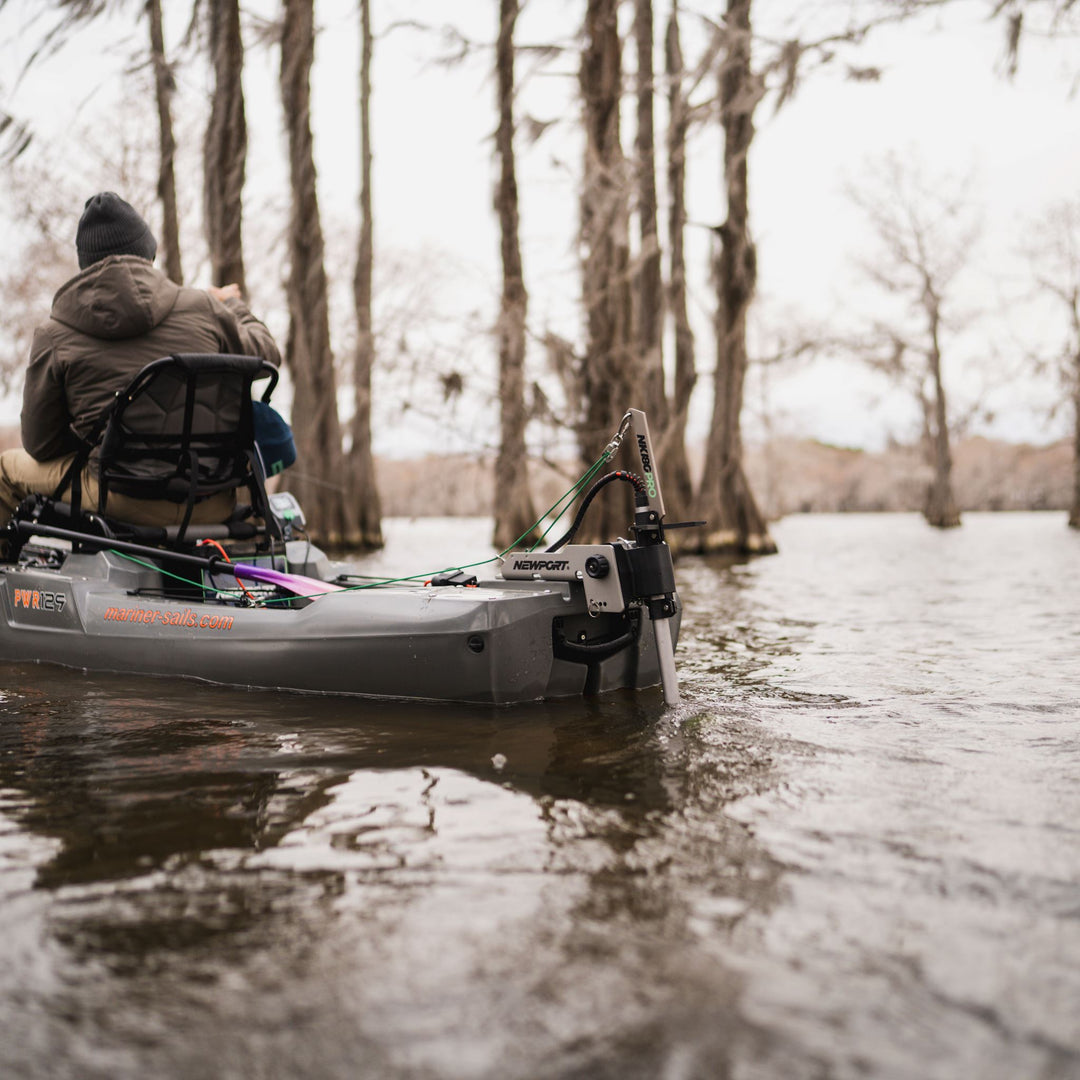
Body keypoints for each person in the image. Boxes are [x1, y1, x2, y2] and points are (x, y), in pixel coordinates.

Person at [0, 192, 282, 547]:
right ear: (148, 252)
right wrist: (233, 305)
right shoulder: (206, 308)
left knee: (4, 471)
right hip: (212, 501)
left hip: (119, 500)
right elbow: (267, 353)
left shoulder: (54, 334)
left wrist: (99, 432)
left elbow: (40, 445)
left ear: (85, 264)